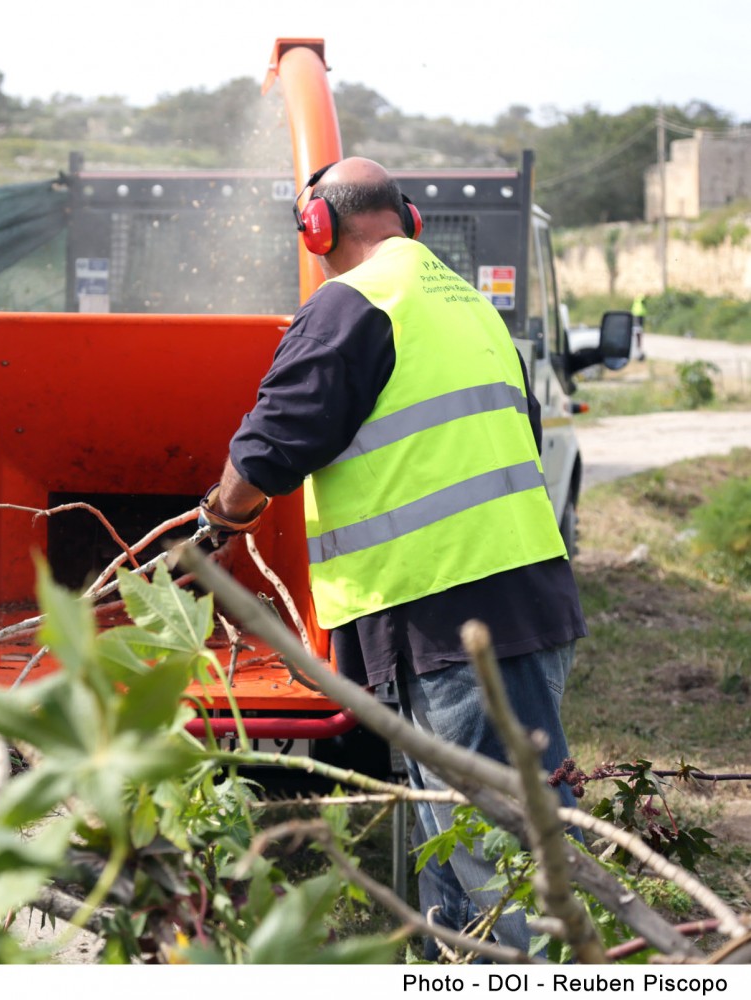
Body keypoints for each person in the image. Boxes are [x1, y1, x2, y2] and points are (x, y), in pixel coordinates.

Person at [199, 158, 587, 954]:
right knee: (451, 855)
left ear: (319, 229)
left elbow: (273, 444)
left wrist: (209, 529)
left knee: (492, 866)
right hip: (521, 608)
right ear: (407, 217)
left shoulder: (354, 302)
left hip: (450, 619)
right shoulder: (472, 306)